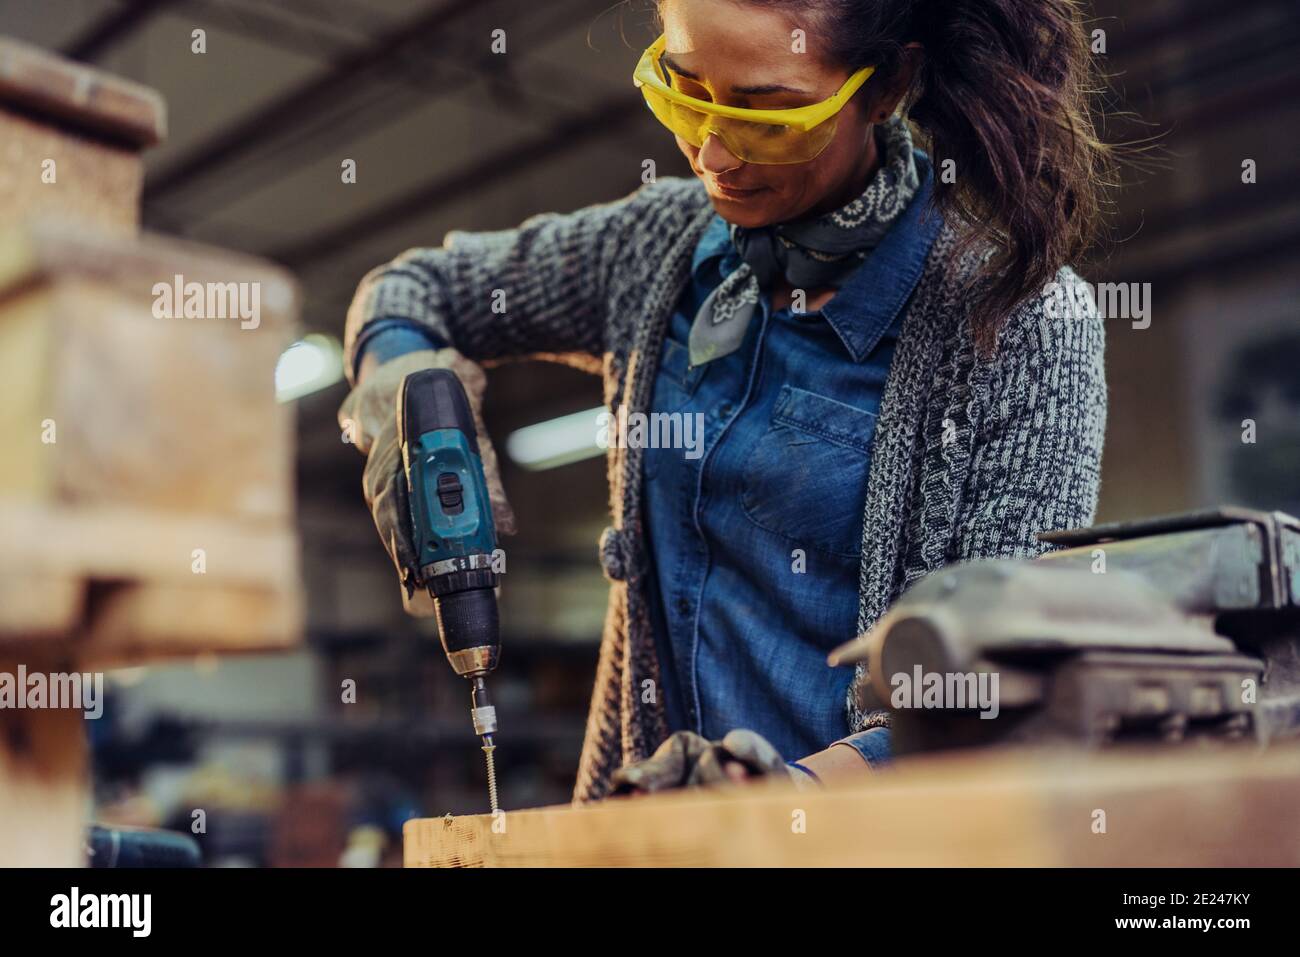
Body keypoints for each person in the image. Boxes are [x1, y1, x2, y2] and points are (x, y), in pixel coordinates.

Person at [338, 0, 1111, 801]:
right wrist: (399, 386)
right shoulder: (655, 247)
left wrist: (781, 797)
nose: (711, 154)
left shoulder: (1019, 322)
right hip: (646, 845)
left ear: (889, 84)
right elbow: (408, 289)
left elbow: (993, 694)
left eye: (766, 115)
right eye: (684, 91)